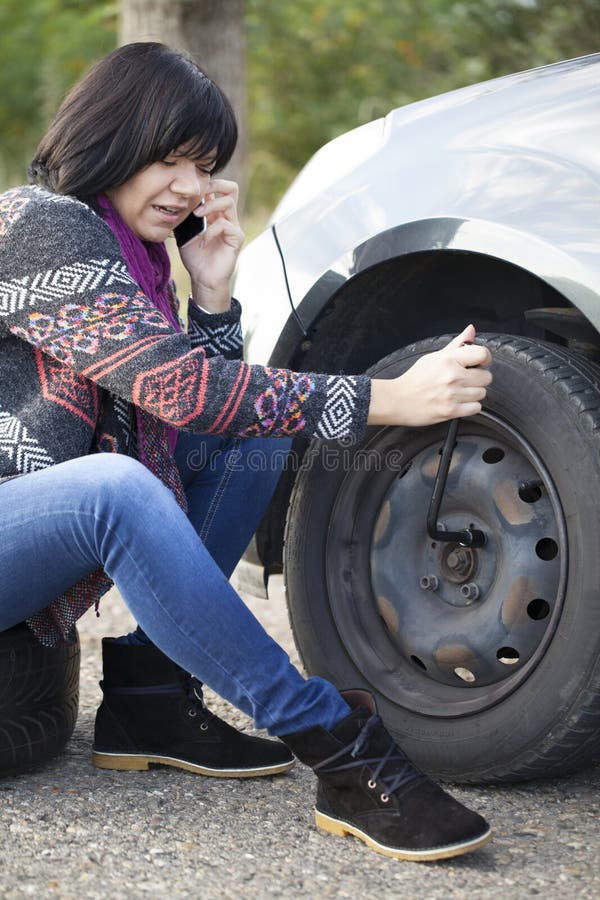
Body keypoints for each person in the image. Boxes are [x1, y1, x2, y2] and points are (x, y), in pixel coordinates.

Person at [0, 42, 494, 862]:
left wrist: (213, 290)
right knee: (112, 492)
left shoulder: (136, 258)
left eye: (204, 165)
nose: (195, 189)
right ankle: (337, 748)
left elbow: (195, 408)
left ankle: (151, 696)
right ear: (110, 137)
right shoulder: (39, 224)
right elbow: (181, 393)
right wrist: (388, 398)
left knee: (250, 444)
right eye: (171, 159)